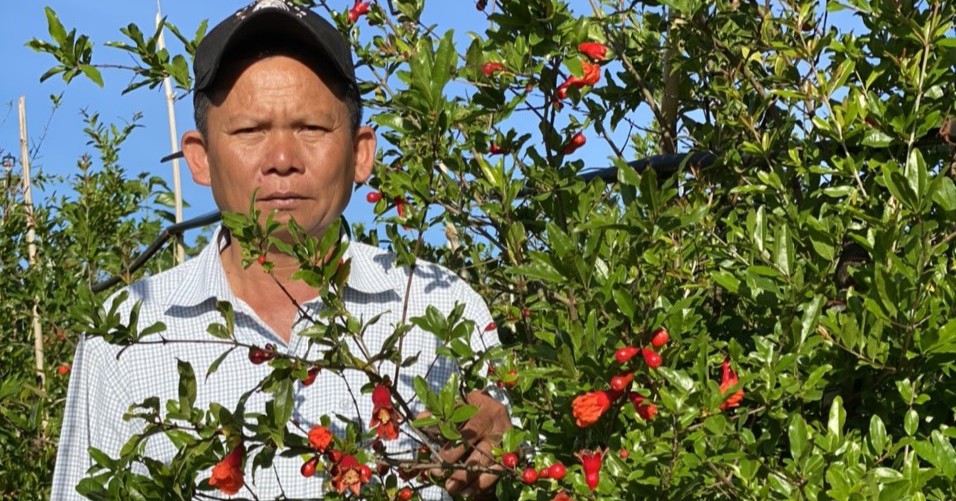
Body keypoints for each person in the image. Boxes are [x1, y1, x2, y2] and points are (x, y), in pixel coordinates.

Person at [51, 1, 511, 499]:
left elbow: (517, 467)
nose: (283, 159)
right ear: (200, 159)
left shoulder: (442, 307)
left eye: (311, 128)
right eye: (250, 131)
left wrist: (503, 467)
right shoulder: (123, 338)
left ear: (360, 154)